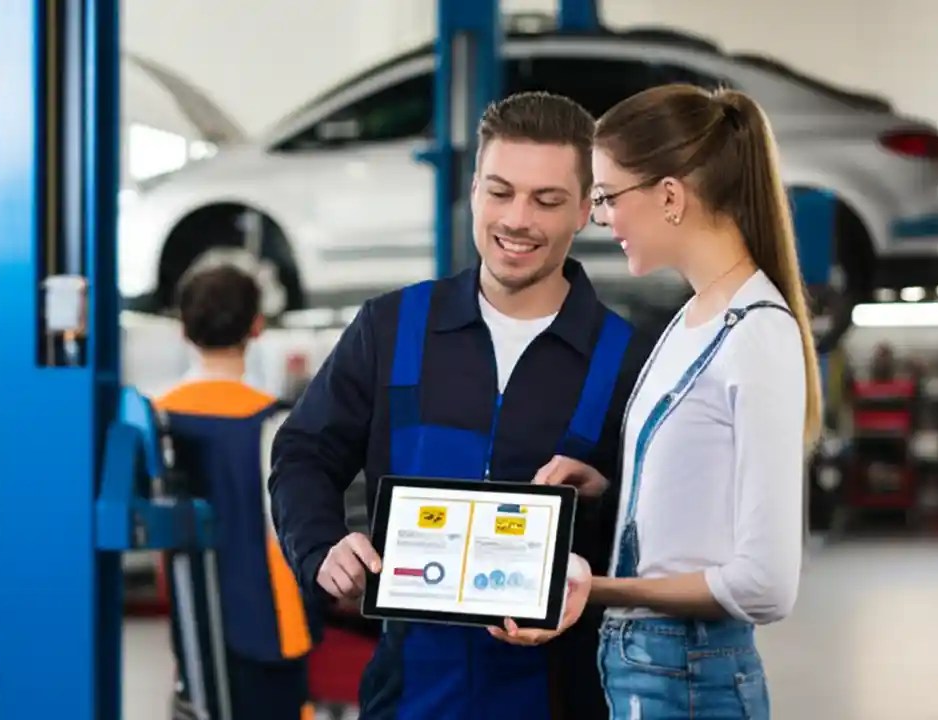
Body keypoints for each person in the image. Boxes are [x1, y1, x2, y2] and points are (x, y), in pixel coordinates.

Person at [269, 91, 654, 720]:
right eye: (500, 191)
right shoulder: (392, 328)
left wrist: (607, 499)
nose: (517, 219)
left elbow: (666, 541)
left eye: (547, 200)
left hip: (559, 698)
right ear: (474, 189)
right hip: (408, 697)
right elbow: (305, 451)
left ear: (586, 208)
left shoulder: (627, 362)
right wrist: (321, 546)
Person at [582, 84, 820, 719]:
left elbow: (766, 584)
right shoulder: (696, 318)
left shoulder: (757, 333)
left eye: (606, 197)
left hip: (688, 677)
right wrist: (610, 486)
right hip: (647, 668)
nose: (601, 217)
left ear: (668, 196)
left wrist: (598, 590)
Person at [154, 263, 321, 720]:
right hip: (269, 618)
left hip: (194, 616)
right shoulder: (276, 421)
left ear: (184, 330)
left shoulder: (157, 417)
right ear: (256, 326)